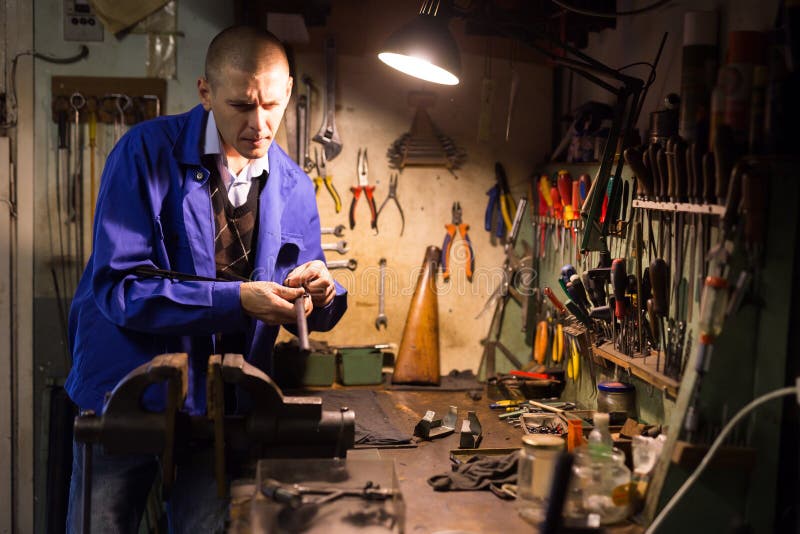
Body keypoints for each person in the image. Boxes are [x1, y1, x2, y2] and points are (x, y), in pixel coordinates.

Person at [65, 26, 347, 533]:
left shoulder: (293, 184)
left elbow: (310, 289)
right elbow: (120, 289)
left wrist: (321, 292)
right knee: (102, 525)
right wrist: (239, 299)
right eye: (242, 105)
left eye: (273, 105)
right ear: (205, 92)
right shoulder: (143, 154)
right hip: (127, 391)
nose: (260, 125)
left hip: (221, 405)